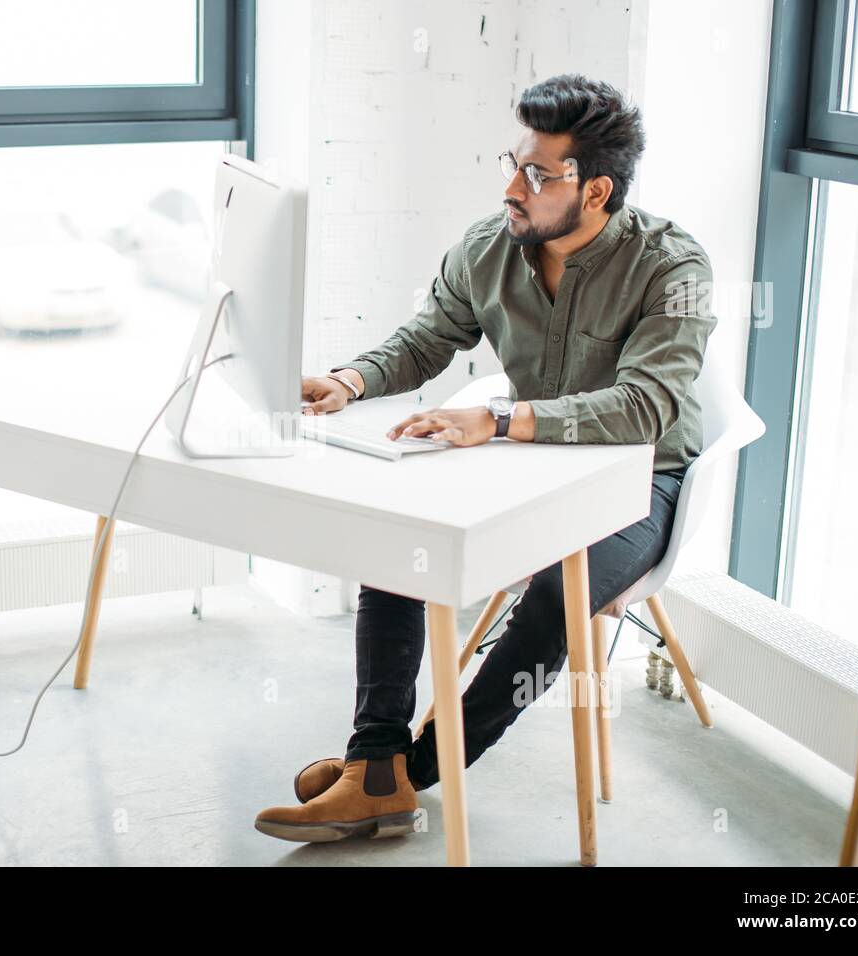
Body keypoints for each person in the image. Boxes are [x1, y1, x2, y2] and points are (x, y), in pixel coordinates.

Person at [254, 73, 717, 844]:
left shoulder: (676, 268)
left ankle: (401, 775)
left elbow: (646, 407)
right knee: (396, 533)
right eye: (514, 162)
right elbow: (427, 339)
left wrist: (499, 418)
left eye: (538, 175)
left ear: (596, 190)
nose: (513, 187)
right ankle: (376, 765)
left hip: (641, 479)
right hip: (529, 463)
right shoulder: (487, 246)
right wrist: (348, 379)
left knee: (552, 603)